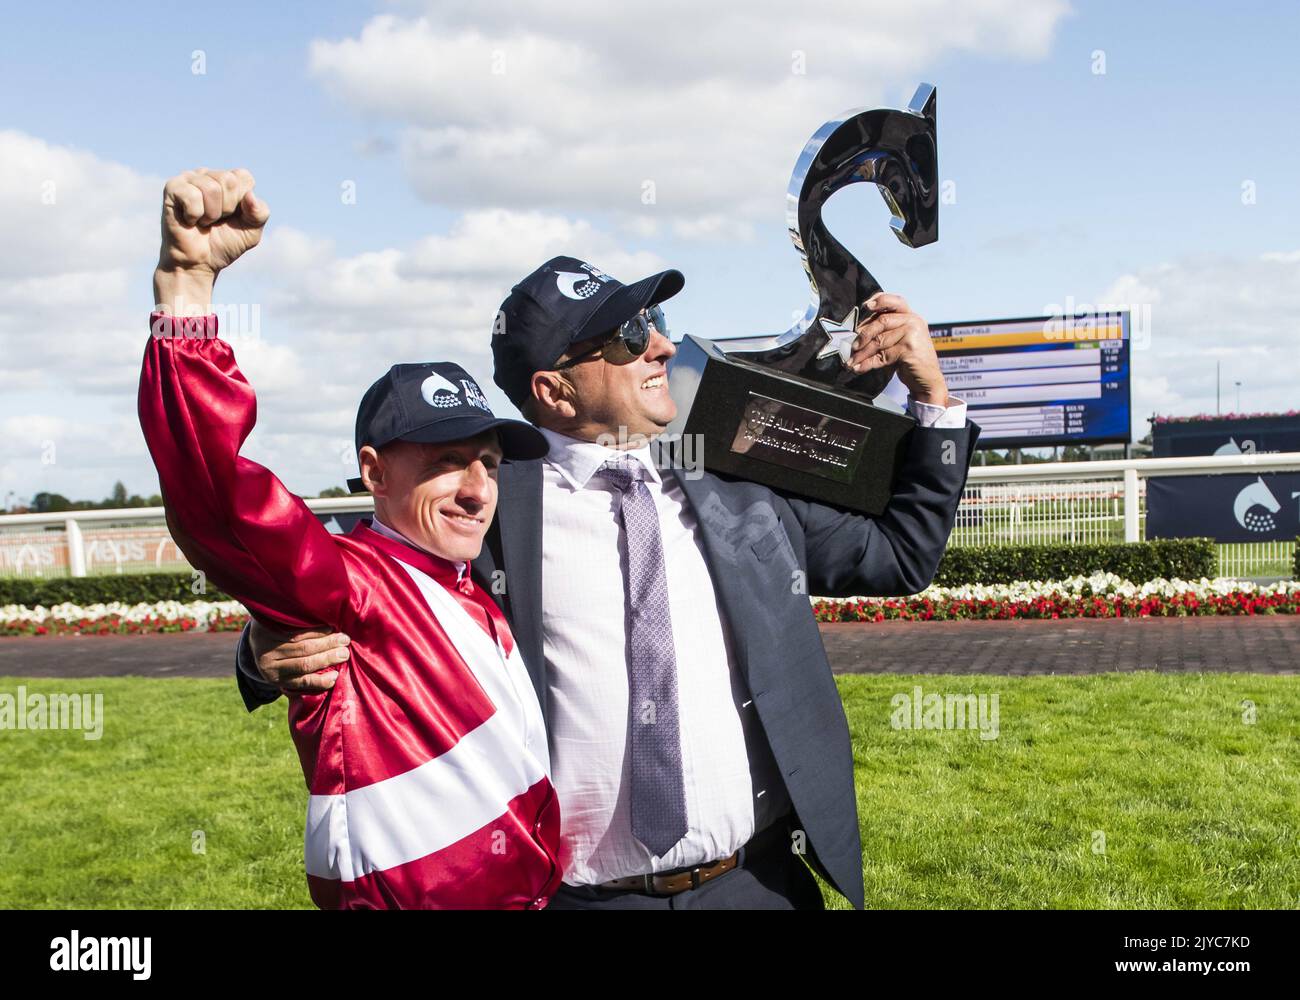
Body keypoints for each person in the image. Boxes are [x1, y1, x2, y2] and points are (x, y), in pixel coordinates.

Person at [238, 254, 980, 909]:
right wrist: (263, 644)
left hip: (756, 885)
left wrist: (932, 396)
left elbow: (902, 554)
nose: (660, 345)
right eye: (628, 338)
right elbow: (362, 571)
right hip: (575, 900)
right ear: (555, 393)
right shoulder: (488, 508)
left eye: (655, 321)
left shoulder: (736, 479)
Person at [138, 167, 562, 909]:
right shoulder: (346, 583)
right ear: (373, 472)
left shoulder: (465, 583)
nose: (476, 488)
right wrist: (186, 287)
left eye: (488, 464)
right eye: (445, 463)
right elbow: (216, 492)